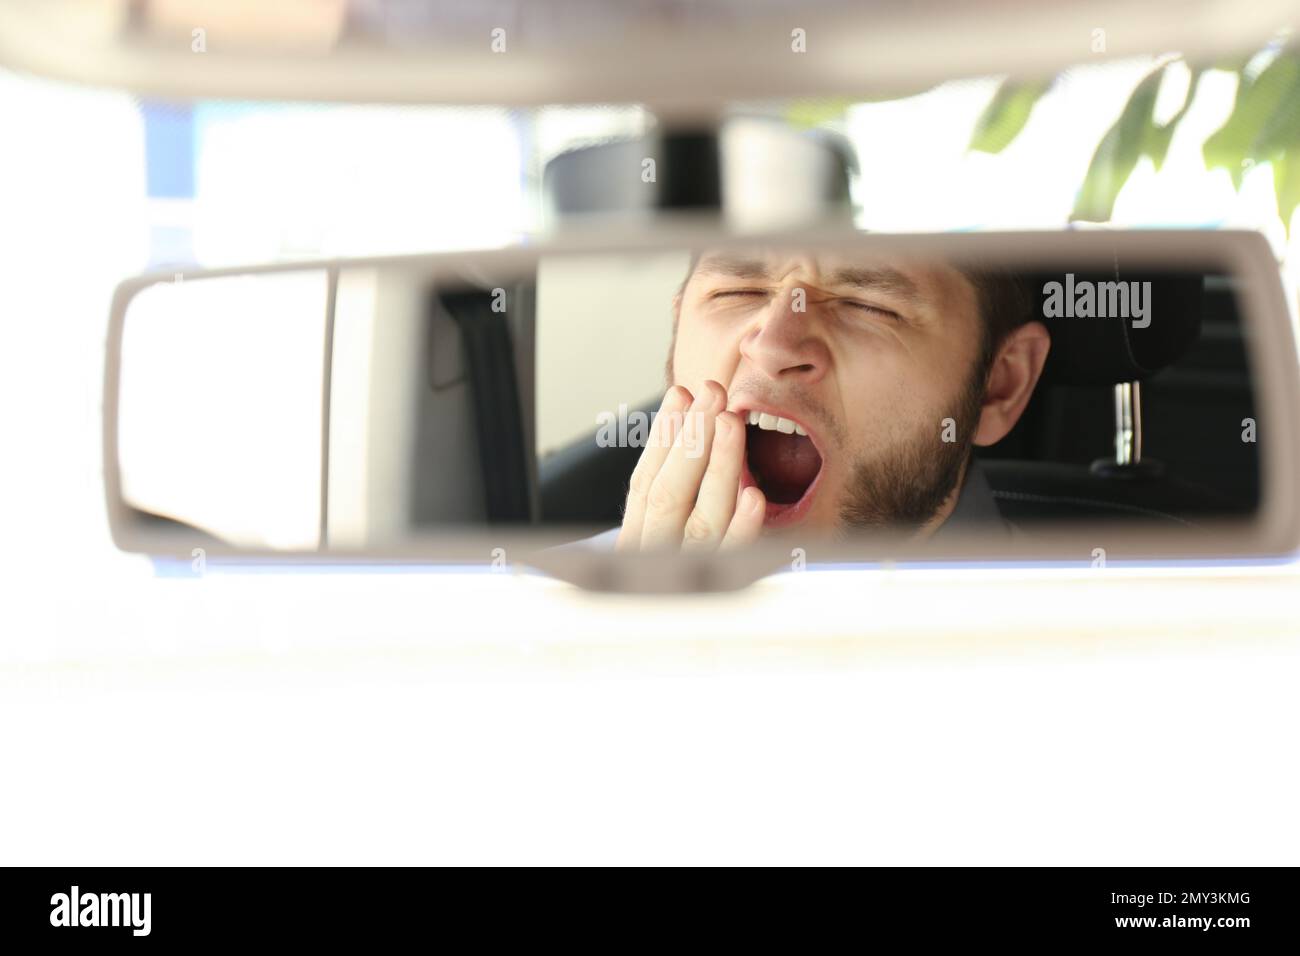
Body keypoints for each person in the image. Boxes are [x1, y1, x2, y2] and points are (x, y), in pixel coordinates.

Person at [603, 247, 1051, 552]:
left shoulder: (1090, 650)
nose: (772, 345)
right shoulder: (545, 610)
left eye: (868, 305)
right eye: (737, 291)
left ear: (1000, 385)